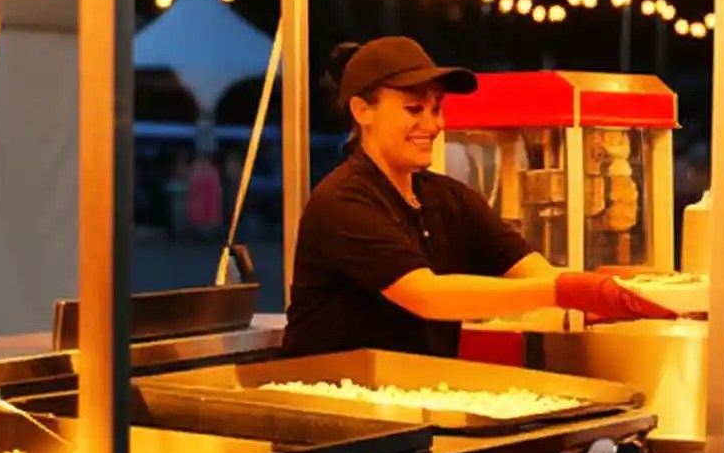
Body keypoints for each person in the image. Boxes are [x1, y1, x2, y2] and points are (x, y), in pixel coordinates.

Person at [282, 37, 671, 358]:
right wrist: (562, 292)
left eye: (437, 109)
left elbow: (534, 272)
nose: (433, 125)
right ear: (363, 111)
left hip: (415, 401)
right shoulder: (344, 200)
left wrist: (613, 296)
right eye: (414, 108)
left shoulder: (449, 198)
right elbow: (427, 295)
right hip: (331, 407)